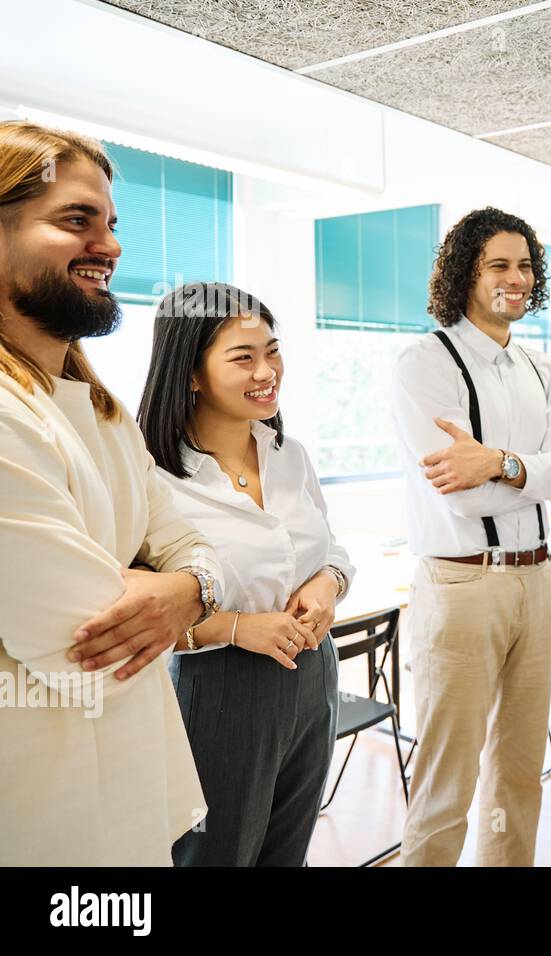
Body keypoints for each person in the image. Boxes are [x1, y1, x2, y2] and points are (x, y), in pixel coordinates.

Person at [0, 121, 222, 865]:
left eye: (112, 224)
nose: (111, 246)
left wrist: (184, 589)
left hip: (130, 801)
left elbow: (193, 550)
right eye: (75, 220)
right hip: (38, 819)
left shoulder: (102, 412)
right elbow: (82, 645)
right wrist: (183, 589)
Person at [393, 206, 551, 866]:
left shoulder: (540, 368)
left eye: (526, 265)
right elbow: (461, 486)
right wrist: (525, 469)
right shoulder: (425, 364)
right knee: (448, 783)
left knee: (519, 774)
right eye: (498, 264)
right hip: (463, 584)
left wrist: (501, 461)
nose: (516, 277)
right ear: (464, 274)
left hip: (537, 581)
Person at [137, 282, 354, 866]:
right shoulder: (151, 477)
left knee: (288, 854)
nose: (268, 371)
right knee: (216, 857)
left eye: (273, 350)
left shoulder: (290, 455)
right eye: (243, 357)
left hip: (313, 674)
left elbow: (332, 549)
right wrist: (233, 626)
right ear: (191, 374)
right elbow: (131, 614)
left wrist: (327, 582)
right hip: (219, 685)